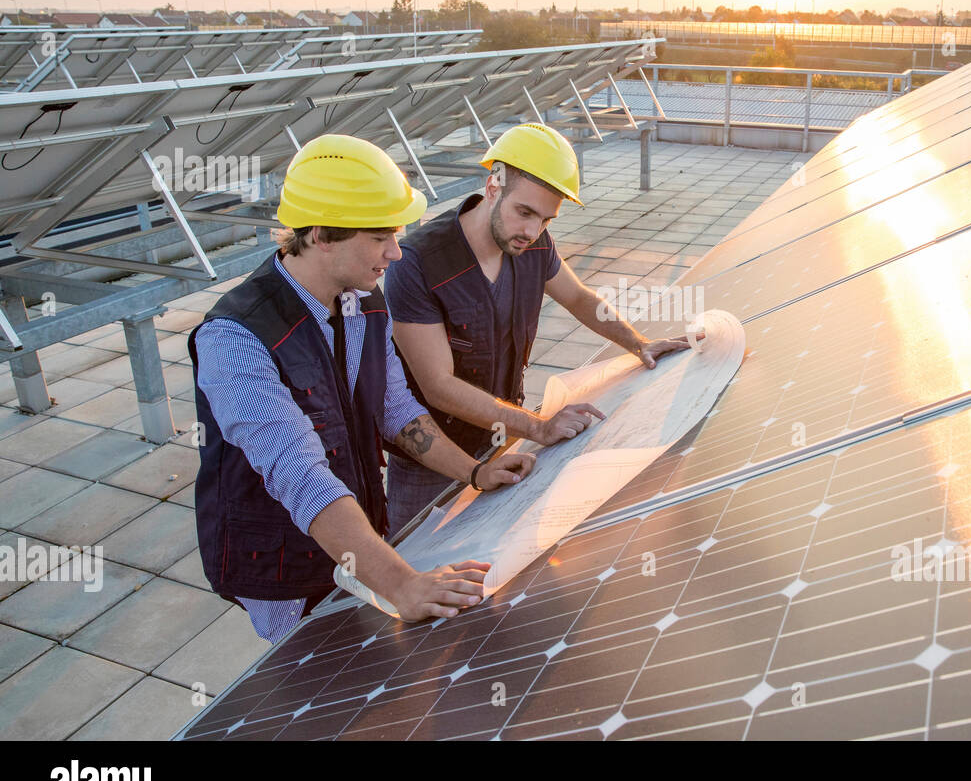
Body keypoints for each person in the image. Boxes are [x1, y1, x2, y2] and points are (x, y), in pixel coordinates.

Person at [188, 133, 535, 643]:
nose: (396, 252)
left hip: (358, 541)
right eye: (379, 237)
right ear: (322, 235)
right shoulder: (235, 337)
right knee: (316, 682)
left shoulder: (364, 301)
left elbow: (396, 408)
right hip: (283, 565)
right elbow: (300, 474)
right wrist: (403, 584)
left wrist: (475, 472)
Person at [383, 122, 693, 530]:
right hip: (432, 460)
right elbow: (437, 386)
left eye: (546, 220)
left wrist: (638, 344)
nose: (533, 231)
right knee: (416, 563)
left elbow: (580, 298)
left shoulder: (533, 244)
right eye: (525, 212)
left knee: (487, 557)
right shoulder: (418, 262)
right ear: (493, 186)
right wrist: (538, 427)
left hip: (502, 437)